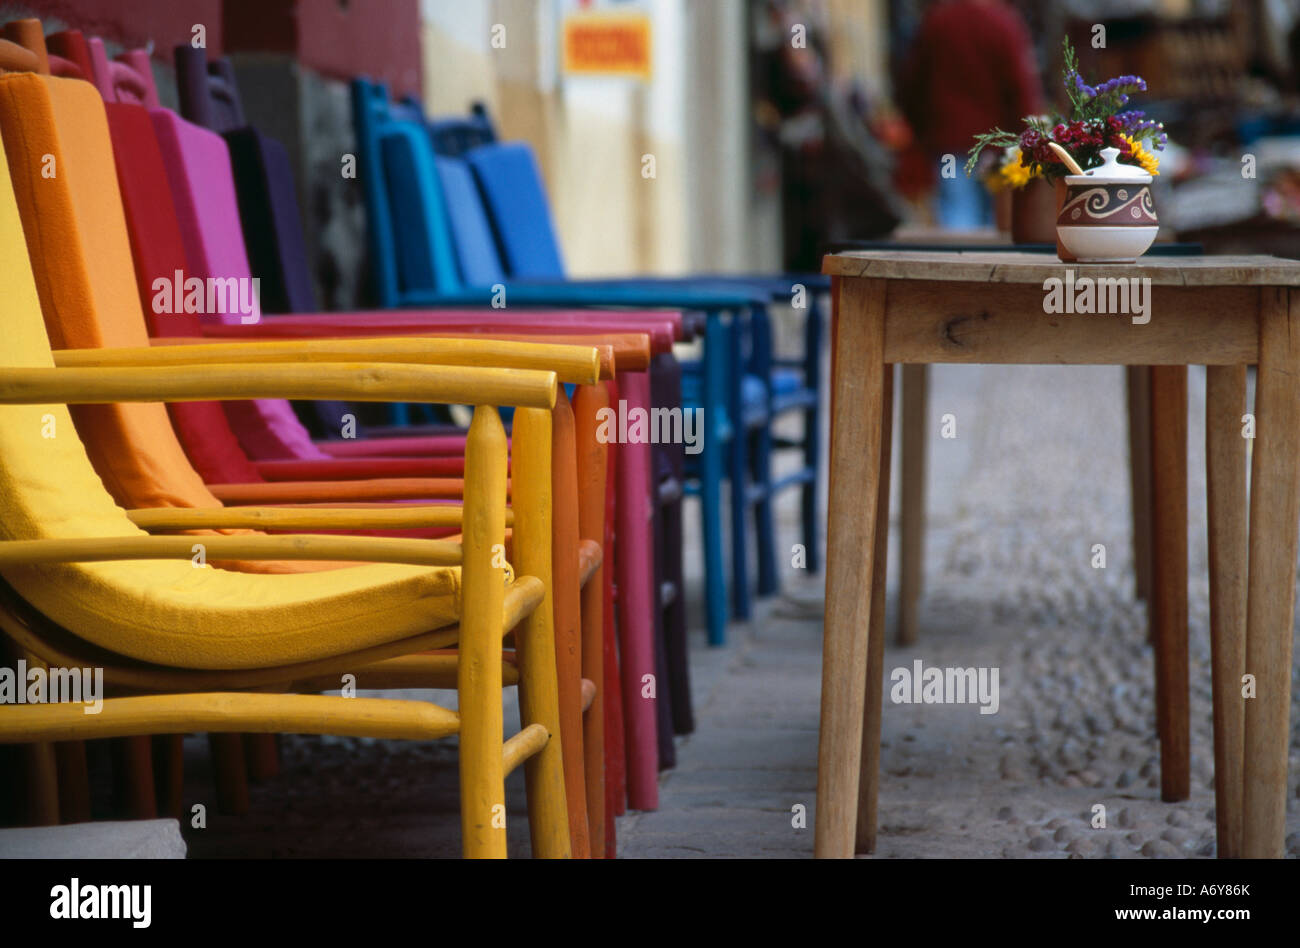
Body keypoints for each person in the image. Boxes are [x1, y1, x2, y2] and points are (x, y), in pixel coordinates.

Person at [898, 0, 1043, 229]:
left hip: (949, 145)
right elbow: (1020, 86)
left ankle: (959, 262)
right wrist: (1030, 137)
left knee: (955, 214)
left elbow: (913, 83)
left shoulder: (937, 21)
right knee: (993, 221)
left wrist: (918, 129)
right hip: (994, 145)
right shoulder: (1003, 23)